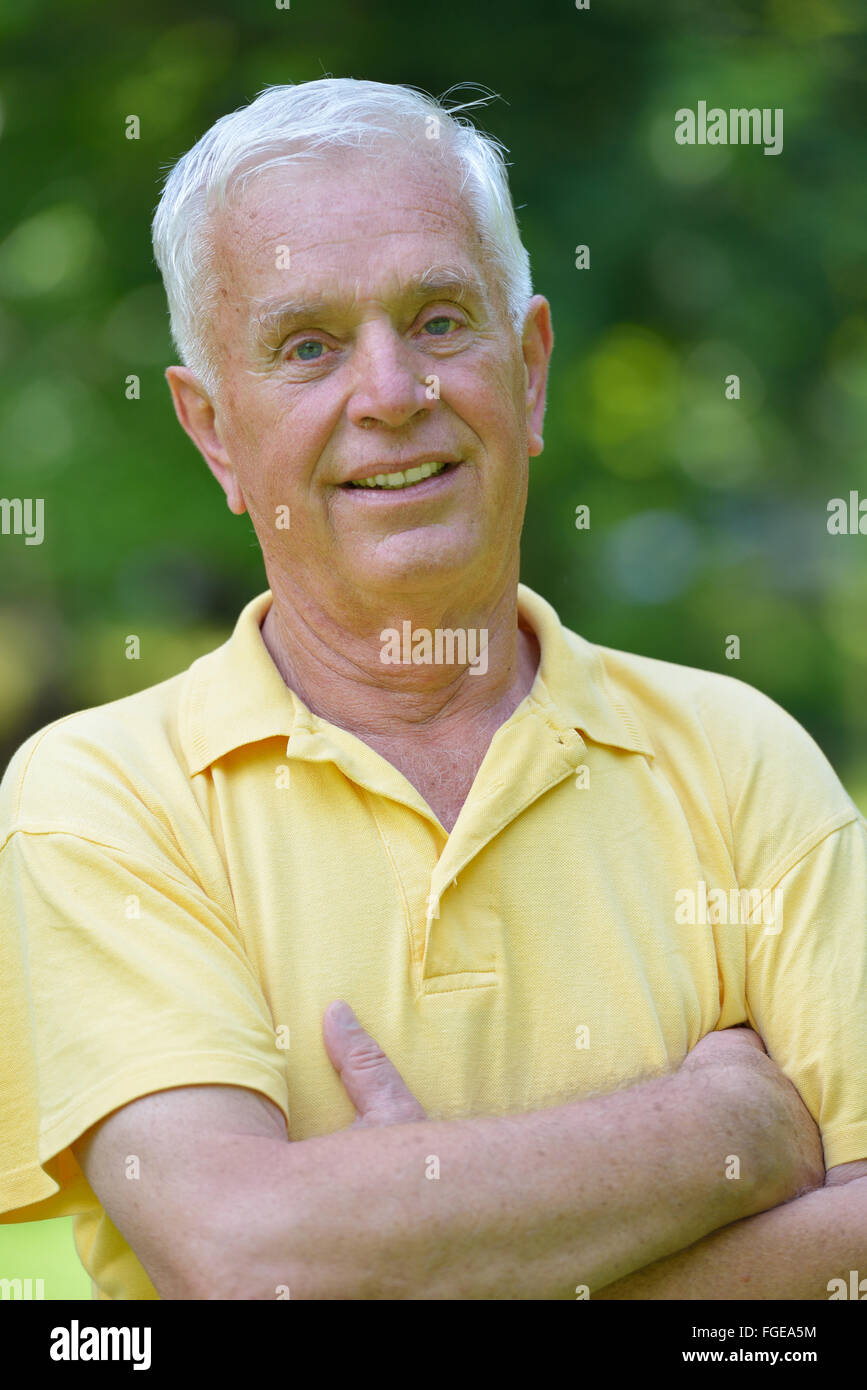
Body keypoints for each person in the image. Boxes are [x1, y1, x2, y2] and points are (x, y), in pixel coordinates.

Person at [1, 79, 865, 1301]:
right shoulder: (101, 799)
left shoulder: (742, 759)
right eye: (307, 346)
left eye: (441, 321)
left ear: (532, 369)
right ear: (213, 433)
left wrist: (432, 1245)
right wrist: (730, 1132)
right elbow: (252, 1256)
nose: (391, 392)